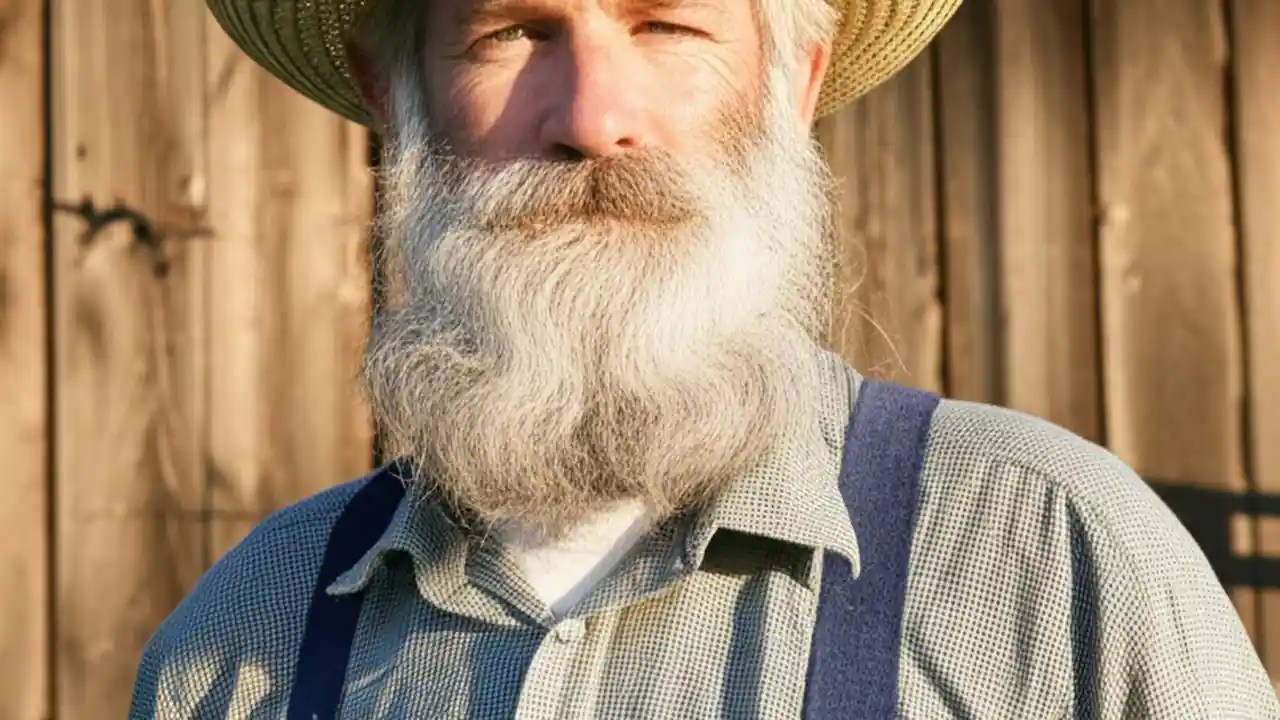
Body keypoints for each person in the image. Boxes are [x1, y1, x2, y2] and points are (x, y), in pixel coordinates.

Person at [130, 0, 1280, 717]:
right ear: (397, 98)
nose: (592, 117)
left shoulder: (1053, 554)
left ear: (794, 83)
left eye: (667, 26)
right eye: (511, 31)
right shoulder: (243, 639)